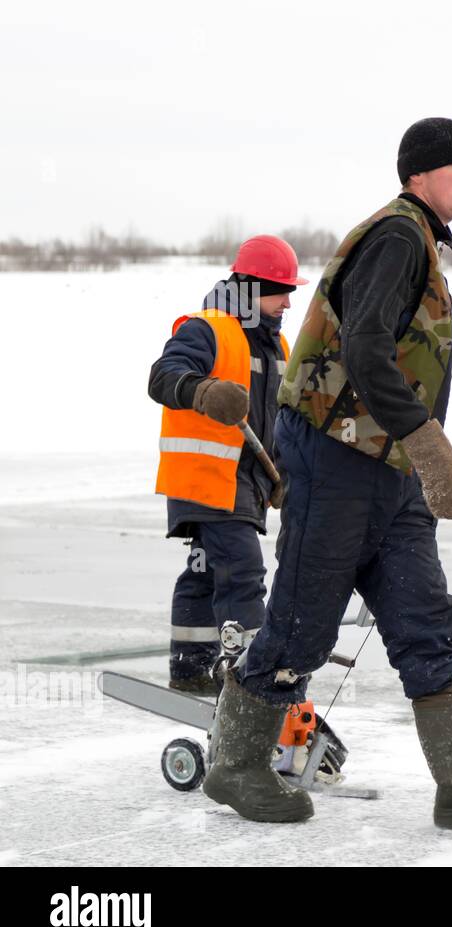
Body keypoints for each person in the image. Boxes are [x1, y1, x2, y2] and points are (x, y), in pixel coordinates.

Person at [202, 118, 452, 827]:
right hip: (338, 461)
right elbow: (364, 349)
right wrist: (430, 445)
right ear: (418, 174)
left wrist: (426, 454)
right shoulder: (397, 235)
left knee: (426, 620)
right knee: (302, 623)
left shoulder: (418, 241)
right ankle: (235, 767)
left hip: (387, 468)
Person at [148, 236, 305, 694]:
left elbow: (280, 418)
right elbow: (163, 375)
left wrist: (281, 472)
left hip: (245, 482)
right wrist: (202, 391)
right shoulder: (206, 329)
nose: (288, 303)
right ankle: (253, 682)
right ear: (251, 289)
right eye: (281, 291)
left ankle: (191, 668)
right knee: (241, 571)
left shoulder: (279, 347)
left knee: (203, 571)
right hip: (207, 478)